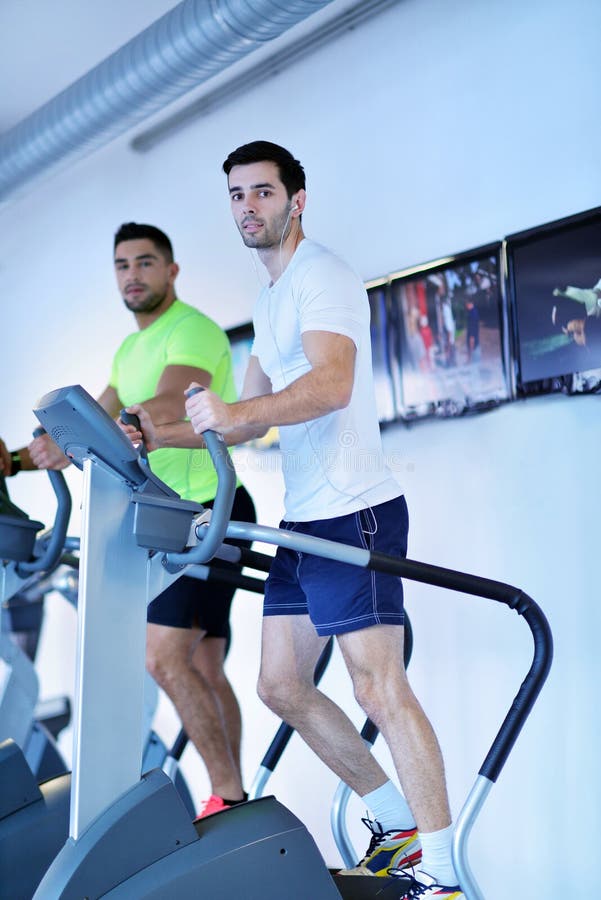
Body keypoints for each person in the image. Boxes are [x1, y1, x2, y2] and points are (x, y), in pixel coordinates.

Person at [126, 143, 463, 899]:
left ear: (296, 199)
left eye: (262, 192)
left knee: (378, 687)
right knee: (279, 683)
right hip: (302, 521)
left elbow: (332, 385)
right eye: (236, 196)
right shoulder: (271, 297)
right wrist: (149, 436)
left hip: (355, 513)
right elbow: (238, 425)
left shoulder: (322, 276)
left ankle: (441, 870)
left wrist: (237, 411)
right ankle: (393, 820)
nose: (248, 207)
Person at [26, 222, 256, 818]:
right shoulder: (129, 350)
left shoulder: (194, 330)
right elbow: (98, 412)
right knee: (201, 662)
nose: (133, 274)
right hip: (165, 515)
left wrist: (133, 420)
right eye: (123, 265)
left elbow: (170, 398)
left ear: (171, 271)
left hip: (206, 511)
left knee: (162, 657)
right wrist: (25, 456)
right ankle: (236, 797)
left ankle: (227, 797)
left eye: (146, 262)